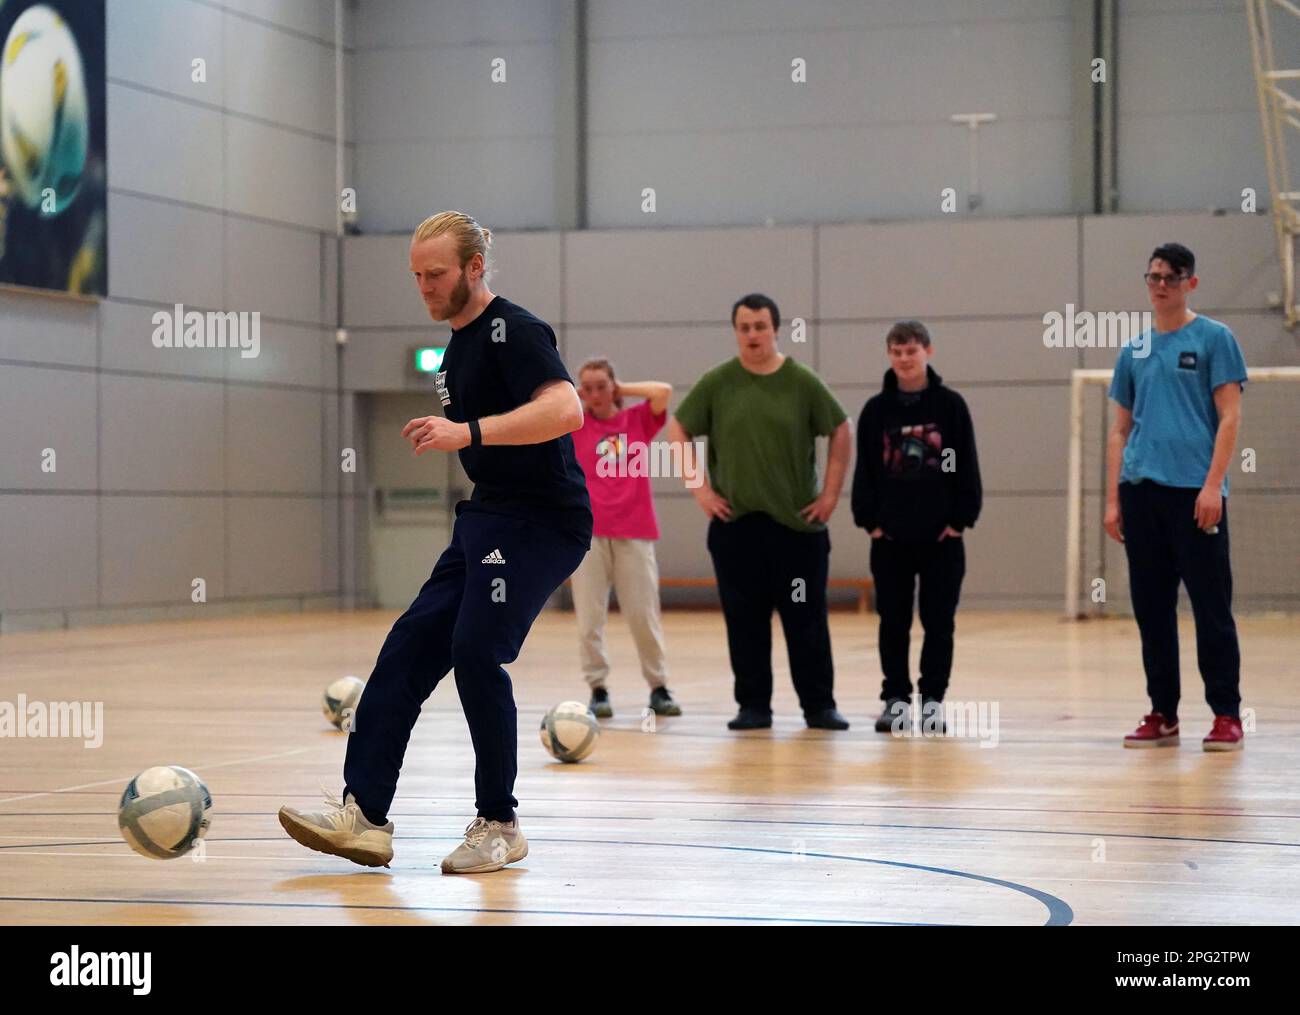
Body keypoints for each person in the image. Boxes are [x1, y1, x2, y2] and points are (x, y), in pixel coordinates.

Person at [278, 211, 592, 872]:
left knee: (476, 649)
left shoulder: (515, 329)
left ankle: (499, 823)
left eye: (436, 273)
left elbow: (567, 408)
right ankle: (363, 813)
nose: (424, 285)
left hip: (542, 520)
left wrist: (468, 432)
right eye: (416, 275)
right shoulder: (454, 349)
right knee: (408, 647)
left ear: (474, 268)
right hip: (487, 519)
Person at [667, 293, 852, 731]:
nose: (753, 335)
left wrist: (829, 496)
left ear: (775, 329)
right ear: (736, 331)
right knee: (745, 622)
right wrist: (701, 490)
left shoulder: (801, 382)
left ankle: (819, 706)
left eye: (761, 326)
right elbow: (678, 428)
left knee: (806, 620)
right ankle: (753, 707)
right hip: (736, 528)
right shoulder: (718, 382)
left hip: (798, 529)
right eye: (745, 327)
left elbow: (841, 429)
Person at [1106, 243, 1247, 751]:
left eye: (1171, 276)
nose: (1160, 284)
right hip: (1141, 492)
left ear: (1191, 282)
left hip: (1194, 494)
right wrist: (1112, 499)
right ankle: (1163, 713)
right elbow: (1119, 429)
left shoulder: (1215, 338)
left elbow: (1229, 416)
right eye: (1153, 276)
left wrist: (1213, 485)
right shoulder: (1134, 350)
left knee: (1210, 607)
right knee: (1152, 608)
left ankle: (1227, 714)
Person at [851, 321, 982, 736]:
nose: (904, 359)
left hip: (942, 538)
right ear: (889, 356)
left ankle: (932, 702)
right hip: (890, 538)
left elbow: (959, 463)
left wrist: (959, 519)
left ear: (928, 351)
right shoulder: (876, 411)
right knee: (893, 620)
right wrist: (870, 521)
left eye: (911, 351)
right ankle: (895, 699)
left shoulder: (949, 407)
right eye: (897, 352)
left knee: (939, 621)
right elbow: (867, 470)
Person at [571, 358, 680, 719]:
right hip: (588, 537)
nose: (595, 394)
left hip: (635, 532)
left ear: (614, 387)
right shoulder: (575, 425)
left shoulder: (636, 421)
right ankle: (598, 690)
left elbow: (662, 392)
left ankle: (659, 687)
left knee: (643, 616)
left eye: (602, 386)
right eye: (587, 388)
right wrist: (578, 397)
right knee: (589, 619)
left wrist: (623, 389)